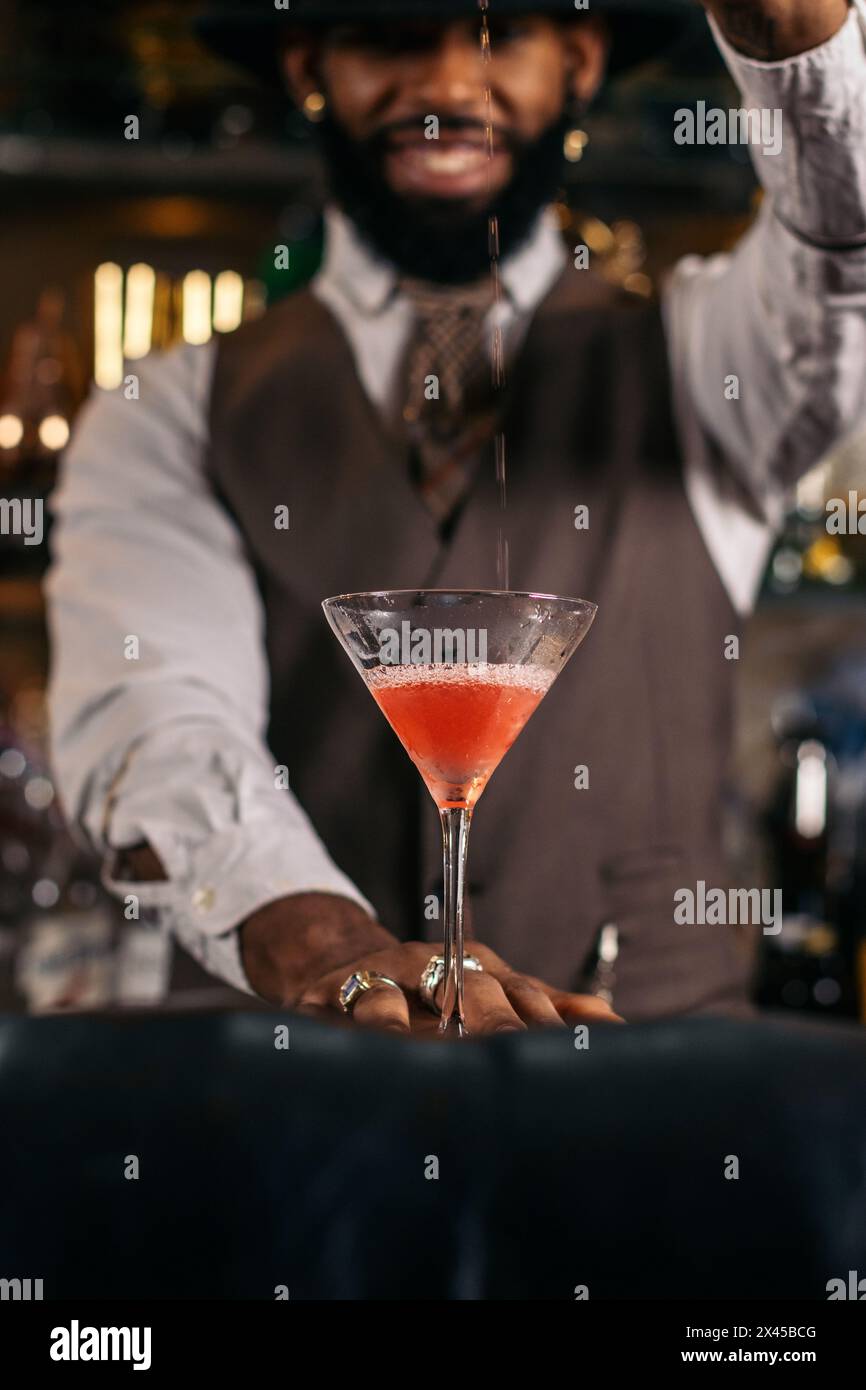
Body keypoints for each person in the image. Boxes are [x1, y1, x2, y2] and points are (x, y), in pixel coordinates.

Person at [47, 0, 866, 1034]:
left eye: (498, 32)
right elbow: (154, 719)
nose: (443, 85)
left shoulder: (708, 362)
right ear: (308, 64)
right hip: (285, 1110)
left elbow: (842, 265)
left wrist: (796, 45)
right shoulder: (168, 410)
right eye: (387, 33)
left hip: (647, 1102)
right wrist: (331, 950)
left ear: (576, 60)